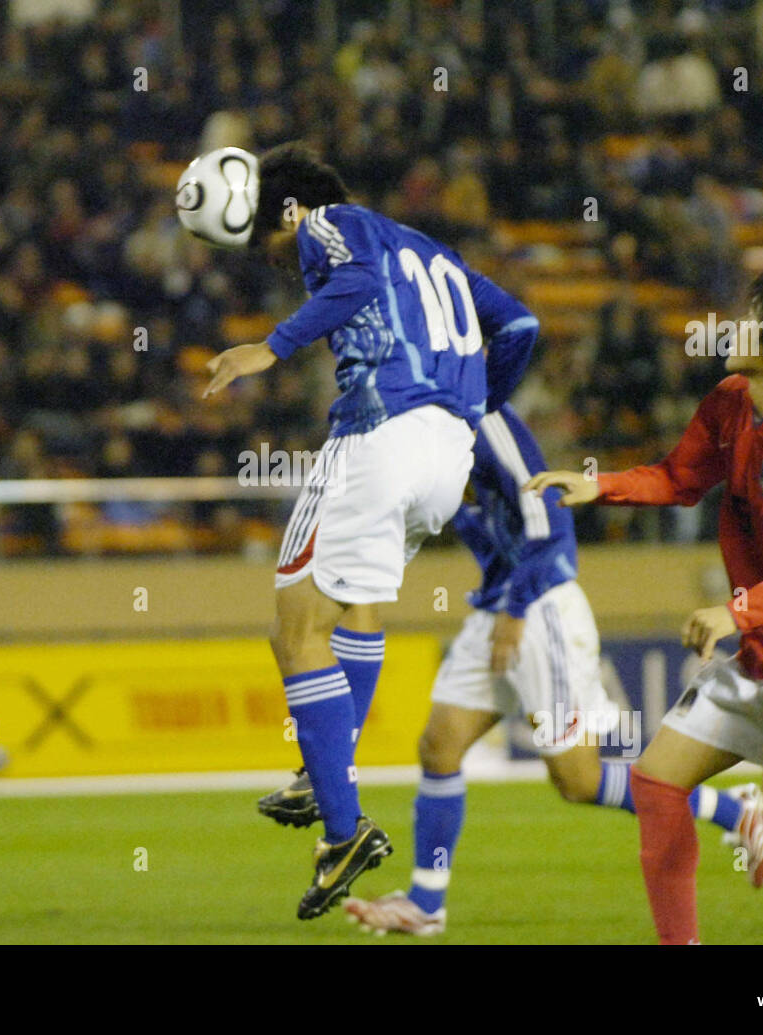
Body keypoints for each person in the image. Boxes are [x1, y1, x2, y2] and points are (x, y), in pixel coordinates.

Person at [275, 399, 763, 936]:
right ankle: (426, 902)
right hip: (496, 605)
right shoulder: (428, 425)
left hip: (539, 609)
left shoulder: (486, 418)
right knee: (439, 745)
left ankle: (733, 810)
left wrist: (514, 610)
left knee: (577, 781)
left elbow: (551, 521)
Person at [203, 142, 536, 919]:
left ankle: (344, 829)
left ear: (286, 211)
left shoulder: (325, 220)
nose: (277, 257)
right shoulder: (439, 255)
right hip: (445, 459)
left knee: (297, 624)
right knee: (354, 607)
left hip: (379, 429)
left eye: (267, 238)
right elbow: (521, 323)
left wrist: (270, 346)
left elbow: (350, 281)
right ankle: (326, 779)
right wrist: (476, 408)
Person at [526, 266, 763, 945]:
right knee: (656, 780)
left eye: (750, 315)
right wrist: (598, 485)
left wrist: (737, 610)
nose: (732, 323)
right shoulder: (730, 401)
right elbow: (680, 476)